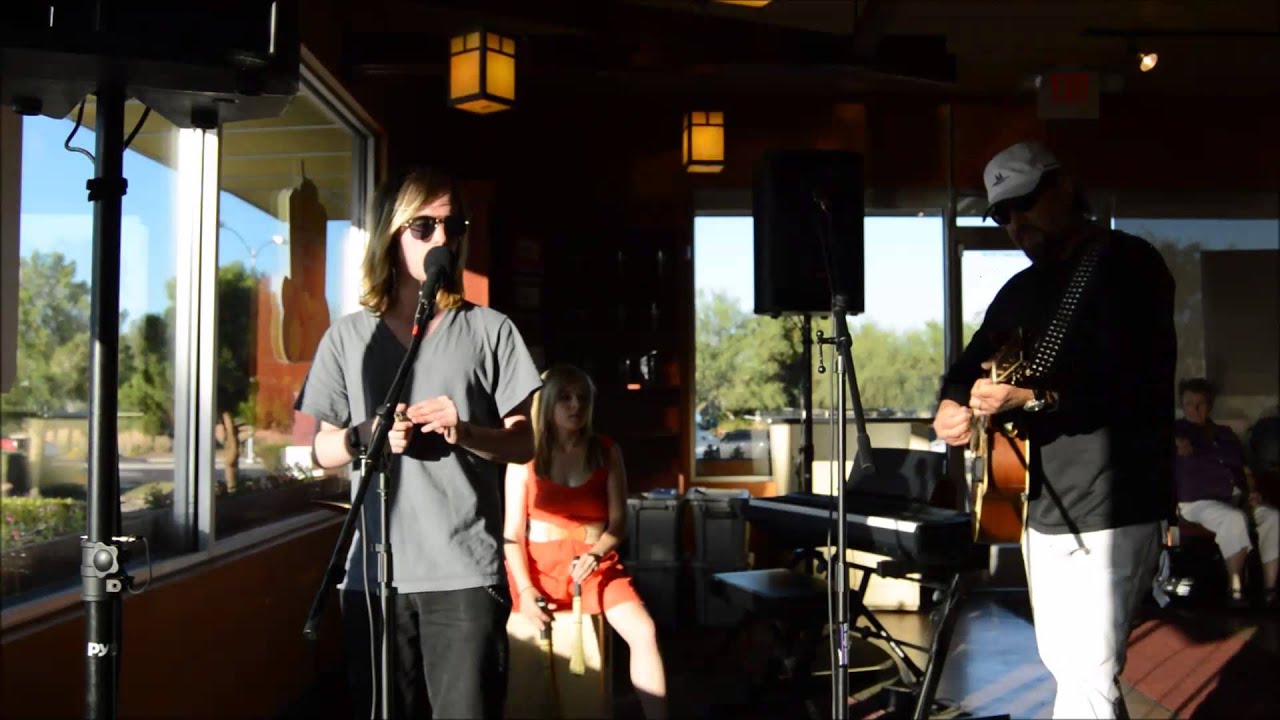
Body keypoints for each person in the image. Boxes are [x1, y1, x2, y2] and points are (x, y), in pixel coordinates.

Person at [931, 141, 1176, 719]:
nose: (1016, 222)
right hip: (1046, 501)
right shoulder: (1021, 291)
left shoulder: (1131, 264)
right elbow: (965, 368)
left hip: (1120, 496)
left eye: (1025, 203)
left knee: (1088, 673)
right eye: (1002, 214)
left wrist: (1035, 396)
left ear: (1064, 186)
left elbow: (1136, 383)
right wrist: (951, 404)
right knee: (1067, 666)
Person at [295, 167, 542, 719]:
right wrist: (365, 435)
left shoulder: (490, 329)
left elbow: (525, 444)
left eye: (453, 226)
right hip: (373, 579)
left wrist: (468, 433)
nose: (442, 240)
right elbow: (315, 451)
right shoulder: (347, 338)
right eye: (424, 226)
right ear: (390, 232)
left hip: (464, 573)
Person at [502, 365, 668, 719]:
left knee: (643, 630)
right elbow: (512, 535)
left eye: (583, 397)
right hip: (539, 567)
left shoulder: (606, 451)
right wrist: (526, 589)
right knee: (536, 668)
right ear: (547, 403)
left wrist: (596, 553)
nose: (576, 405)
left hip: (595, 562)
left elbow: (619, 523)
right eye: (565, 397)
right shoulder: (524, 455)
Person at [1174, 378, 1279, 607]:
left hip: (1235, 497)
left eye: (1200, 404)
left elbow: (1245, 470)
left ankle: (1271, 590)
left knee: (1272, 516)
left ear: (1209, 405)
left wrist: (1253, 492)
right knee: (1233, 519)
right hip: (1197, 502)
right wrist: (1176, 444)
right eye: (1189, 404)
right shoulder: (1177, 430)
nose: (1194, 409)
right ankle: (1235, 589)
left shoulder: (1225, 434)